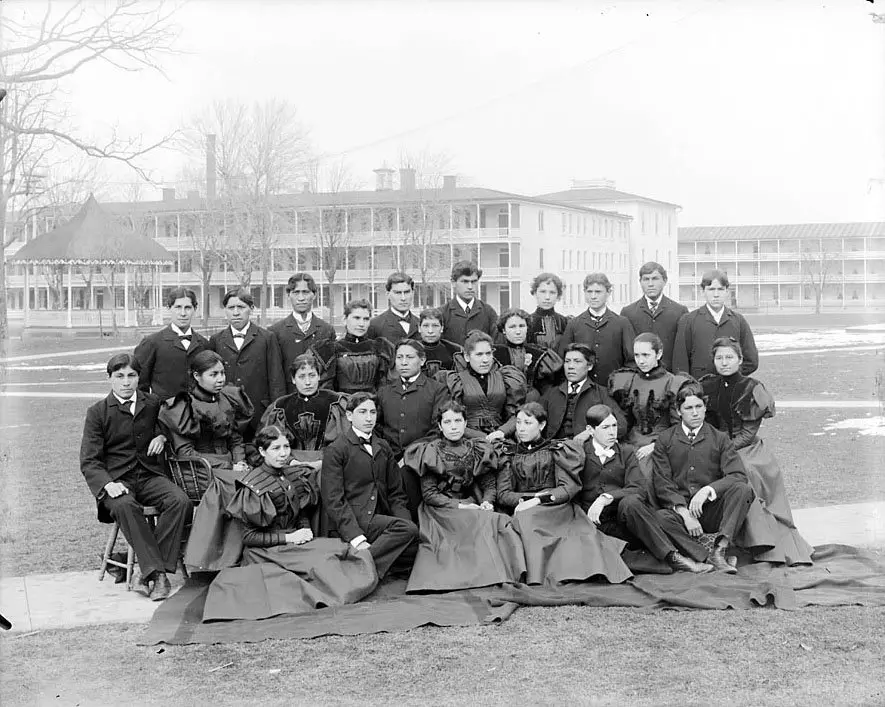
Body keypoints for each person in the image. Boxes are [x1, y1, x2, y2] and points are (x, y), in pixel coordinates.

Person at [196, 426, 378, 621]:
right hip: (266, 551)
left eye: (286, 447)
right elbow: (249, 537)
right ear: (262, 451)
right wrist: (289, 537)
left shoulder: (292, 475)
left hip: (293, 542)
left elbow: (299, 511)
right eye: (276, 449)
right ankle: (333, 591)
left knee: (340, 549)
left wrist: (305, 528)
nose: (283, 454)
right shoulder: (253, 485)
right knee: (321, 564)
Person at [80, 353, 192, 601]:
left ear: (139, 377)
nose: (126, 382)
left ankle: (146, 569)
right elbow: (89, 460)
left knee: (180, 501)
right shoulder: (98, 412)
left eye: (131, 375)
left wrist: (162, 437)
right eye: (119, 376)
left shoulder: (151, 403)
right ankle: (158, 576)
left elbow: (165, 428)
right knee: (126, 506)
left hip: (149, 475)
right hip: (117, 481)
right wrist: (107, 485)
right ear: (110, 379)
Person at [700, 337, 813, 565]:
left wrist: (724, 449)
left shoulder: (752, 388)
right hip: (717, 444)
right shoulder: (707, 386)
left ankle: (762, 543)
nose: (724, 362)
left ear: (740, 360)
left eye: (729, 357)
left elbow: (747, 434)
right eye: (719, 358)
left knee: (745, 473)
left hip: (746, 449)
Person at [496, 403, 632, 586]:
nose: (521, 428)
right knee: (523, 520)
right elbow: (503, 494)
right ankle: (533, 575)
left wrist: (538, 499)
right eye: (518, 423)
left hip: (556, 507)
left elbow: (567, 487)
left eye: (528, 423)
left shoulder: (557, 449)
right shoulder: (509, 454)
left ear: (542, 425)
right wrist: (525, 501)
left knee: (536, 521)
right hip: (521, 508)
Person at [402, 402, 526, 592]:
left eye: (458, 421)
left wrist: (486, 501)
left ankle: (497, 574)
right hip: (440, 509)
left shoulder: (477, 448)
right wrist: (460, 506)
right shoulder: (430, 451)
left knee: (497, 520)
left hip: (470, 503)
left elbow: (489, 485)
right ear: (440, 426)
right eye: (448, 421)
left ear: (465, 423)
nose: (453, 426)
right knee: (473, 521)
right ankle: (464, 578)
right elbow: (429, 494)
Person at [577, 405, 714, 573]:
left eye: (614, 426)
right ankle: (667, 560)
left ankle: (675, 558)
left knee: (632, 502)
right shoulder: (580, 453)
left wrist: (606, 498)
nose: (612, 432)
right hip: (594, 525)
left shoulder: (626, 452)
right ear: (590, 430)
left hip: (628, 521)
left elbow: (638, 488)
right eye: (605, 427)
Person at [651, 383, 755, 574]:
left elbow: (737, 475)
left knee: (743, 490)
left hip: (712, 510)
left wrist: (708, 490)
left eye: (699, 407)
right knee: (659, 517)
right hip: (682, 512)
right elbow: (662, 483)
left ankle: (719, 549)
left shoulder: (719, 438)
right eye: (688, 408)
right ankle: (704, 557)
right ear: (678, 411)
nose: (695, 413)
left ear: (705, 408)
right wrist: (684, 513)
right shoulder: (665, 439)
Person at [320, 393, 419, 579]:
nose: (368, 418)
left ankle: (370, 565)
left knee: (416, 544)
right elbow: (334, 500)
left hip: (381, 518)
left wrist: (406, 525)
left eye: (372, 412)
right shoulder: (337, 449)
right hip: (356, 519)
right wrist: (356, 538)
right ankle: (359, 565)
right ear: (349, 416)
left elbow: (396, 493)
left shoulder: (383, 446)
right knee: (406, 534)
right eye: (362, 412)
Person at [159, 350, 254, 492]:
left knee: (263, 481)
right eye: (213, 375)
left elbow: (235, 439)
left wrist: (239, 461)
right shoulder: (186, 406)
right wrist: (229, 466)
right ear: (197, 376)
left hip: (230, 466)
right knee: (245, 489)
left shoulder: (228, 399)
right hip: (201, 471)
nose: (221, 379)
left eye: (222, 373)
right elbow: (186, 453)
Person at [375, 340, 451, 516]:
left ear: (422, 360)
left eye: (409, 357)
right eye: (399, 357)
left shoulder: (436, 390)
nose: (403, 362)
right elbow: (376, 426)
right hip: (389, 457)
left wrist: (410, 454)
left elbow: (437, 429)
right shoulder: (385, 392)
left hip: (422, 458)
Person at [209, 287, 286, 445]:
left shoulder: (267, 338)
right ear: (225, 311)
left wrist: (275, 414)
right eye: (231, 308)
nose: (236, 313)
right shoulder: (216, 340)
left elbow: (276, 378)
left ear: (251, 309)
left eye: (241, 307)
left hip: (259, 413)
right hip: (226, 414)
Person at [608, 333, 693, 476]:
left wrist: (655, 446)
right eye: (637, 355)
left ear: (659, 354)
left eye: (646, 355)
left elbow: (678, 427)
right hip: (631, 441)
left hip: (661, 443)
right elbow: (625, 421)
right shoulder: (629, 381)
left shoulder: (672, 383)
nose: (640, 361)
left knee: (643, 471)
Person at [259, 353, 349, 463]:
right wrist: (291, 462)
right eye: (301, 377)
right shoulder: (280, 406)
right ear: (293, 379)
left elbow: (344, 443)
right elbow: (269, 444)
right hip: (289, 464)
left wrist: (323, 462)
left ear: (319, 376)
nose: (307, 382)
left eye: (312, 375)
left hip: (329, 463)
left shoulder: (335, 402)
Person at [673, 269, 759, 379]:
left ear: (727, 291)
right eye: (711, 289)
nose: (716, 295)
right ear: (702, 292)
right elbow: (680, 363)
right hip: (700, 389)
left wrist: (732, 374)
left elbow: (751, 360)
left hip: (731, 390)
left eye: (721, 289)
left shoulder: (738, 321)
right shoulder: (688, 321)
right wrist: (689, 388)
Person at [445, 330, 527, 441]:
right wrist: (483, 437)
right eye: (479, 354)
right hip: (467, 439)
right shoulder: (456, 381)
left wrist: (502, 431)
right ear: (467, 357)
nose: (485, 360)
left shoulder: (506, 377)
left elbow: (517, 414)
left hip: (501, 437)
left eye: (488, 354)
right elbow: (452, 420)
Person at [557, 273, 635, 388]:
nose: (593, 296)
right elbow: (563, 358)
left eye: (598, 292)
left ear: (608, 293)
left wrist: (621, 384)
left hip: (613, 390)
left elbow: (631, 360)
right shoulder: (574, 324)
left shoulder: (621, 323)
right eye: (589, 292)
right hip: (583, 391)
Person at [540, 343, 626, 442]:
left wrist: (590, 432)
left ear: (589, 366)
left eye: (577, 362)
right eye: (567, 361)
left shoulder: (601, 394)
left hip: (587, 450)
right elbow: (533, 418)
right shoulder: (552, 393)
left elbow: (621, 426)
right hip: (554, 448)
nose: (571, 366)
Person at [134, 287, 210, 399]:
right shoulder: (152, 343)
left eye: (188, 308)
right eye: (178, 307)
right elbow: (139, 385)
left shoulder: (204, 344)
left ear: (195, 309)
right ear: (169, 308)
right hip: (164, 413)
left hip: (198, 412)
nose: (183, 313)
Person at [269, 273, 336, 395]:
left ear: (314, 295)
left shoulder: (327, 330)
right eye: (296, 292)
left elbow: (329, 374)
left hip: (319, 399)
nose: (301, 298)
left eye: (305, 292)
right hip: (289, 399)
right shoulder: (275, 331)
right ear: (289, 295)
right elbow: (275, 375)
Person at [312, 298, 394, 394]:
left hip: (373, 404)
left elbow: (385, 384)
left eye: (366, 319)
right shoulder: (331, 349)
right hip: (341, 404)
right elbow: (326, 388)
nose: (361, 324)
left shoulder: (380, 348)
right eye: (356, 318)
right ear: (344, 320)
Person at [619, 262, 688, 372]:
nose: (650, 284)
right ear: (640, 282)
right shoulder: (628, 312)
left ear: (664, 281)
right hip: (639, 377)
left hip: (669, 377)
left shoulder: (679, 311)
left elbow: (682, 351)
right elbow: (625, 351)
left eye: (655, 279)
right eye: (646, 279)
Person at [494, 308, 563, 401]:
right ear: (503, 330)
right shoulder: (494, 354)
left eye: (521, 326)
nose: (518, 331)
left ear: (527, 328)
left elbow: (550, 388)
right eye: (512, 327)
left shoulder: (539, 353)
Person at [439, 260, 498, 346]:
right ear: (453, 283)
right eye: (465, 282)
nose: (470, 287)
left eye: (474, 282)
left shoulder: (488, 312)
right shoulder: (442, 313)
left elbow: (495, 345)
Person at [367, 272, 420, 341]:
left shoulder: (421, 324)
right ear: (388, 294)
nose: (403, 298)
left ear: (412, 293)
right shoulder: (374, 325)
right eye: (398, 293)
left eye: (407, 292)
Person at [412, 308, 461, 379]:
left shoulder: (454, 351)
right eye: (426, 326)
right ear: (419, 328)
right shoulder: (410, 349)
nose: (430, 331)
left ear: (442, 328)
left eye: (435, 326)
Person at [526, 272, 569, 351]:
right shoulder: (527, 322)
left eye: (552, 292)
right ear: (535, 293)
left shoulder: (565, 322)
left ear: (558, 296)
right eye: (543, 292)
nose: (547, 297)